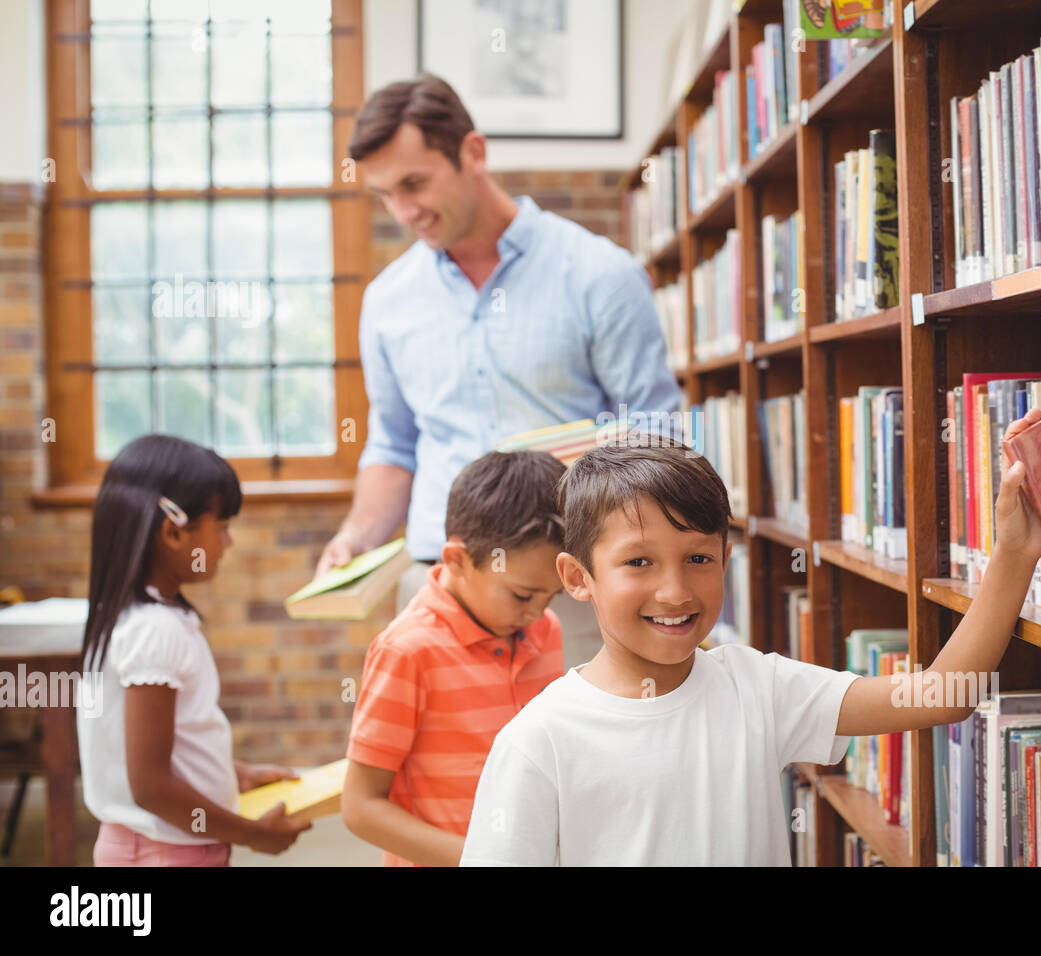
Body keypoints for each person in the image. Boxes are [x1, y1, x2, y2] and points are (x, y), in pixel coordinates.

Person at [459, 413, 1041, 865]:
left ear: (725, 559)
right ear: (577, 578)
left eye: (697, 558)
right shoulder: (539, 742)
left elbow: (943, 695)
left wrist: (1015, 553)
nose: (674, 591)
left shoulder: (757, 688)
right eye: (638, 563)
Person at [314, 74, 681, 669]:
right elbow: (393, 443)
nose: (405, 211)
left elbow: (656, 437)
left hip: (573, 586)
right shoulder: (387, 302)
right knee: (449, 765)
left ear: (473, 152)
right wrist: (356, 536)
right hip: (438, 587)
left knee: (588, 761)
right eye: (384, 194)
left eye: (414, 183)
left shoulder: (599, 275)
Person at [77, 435, 310, 866]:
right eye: (221, 527)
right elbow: (151, 785)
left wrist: (232, 773)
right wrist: (254, 834)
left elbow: (158, 747)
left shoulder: (127, 616)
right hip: (164, 854)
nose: (228, 543)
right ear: (173, 530)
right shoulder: (156, 631)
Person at [341, 450, 567, 866]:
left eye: (552, 595)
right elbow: (360, 807)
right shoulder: (407, 651)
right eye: (522, 595)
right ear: (456, 560)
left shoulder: (544, 629)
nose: (538, 612)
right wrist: (481, 859)